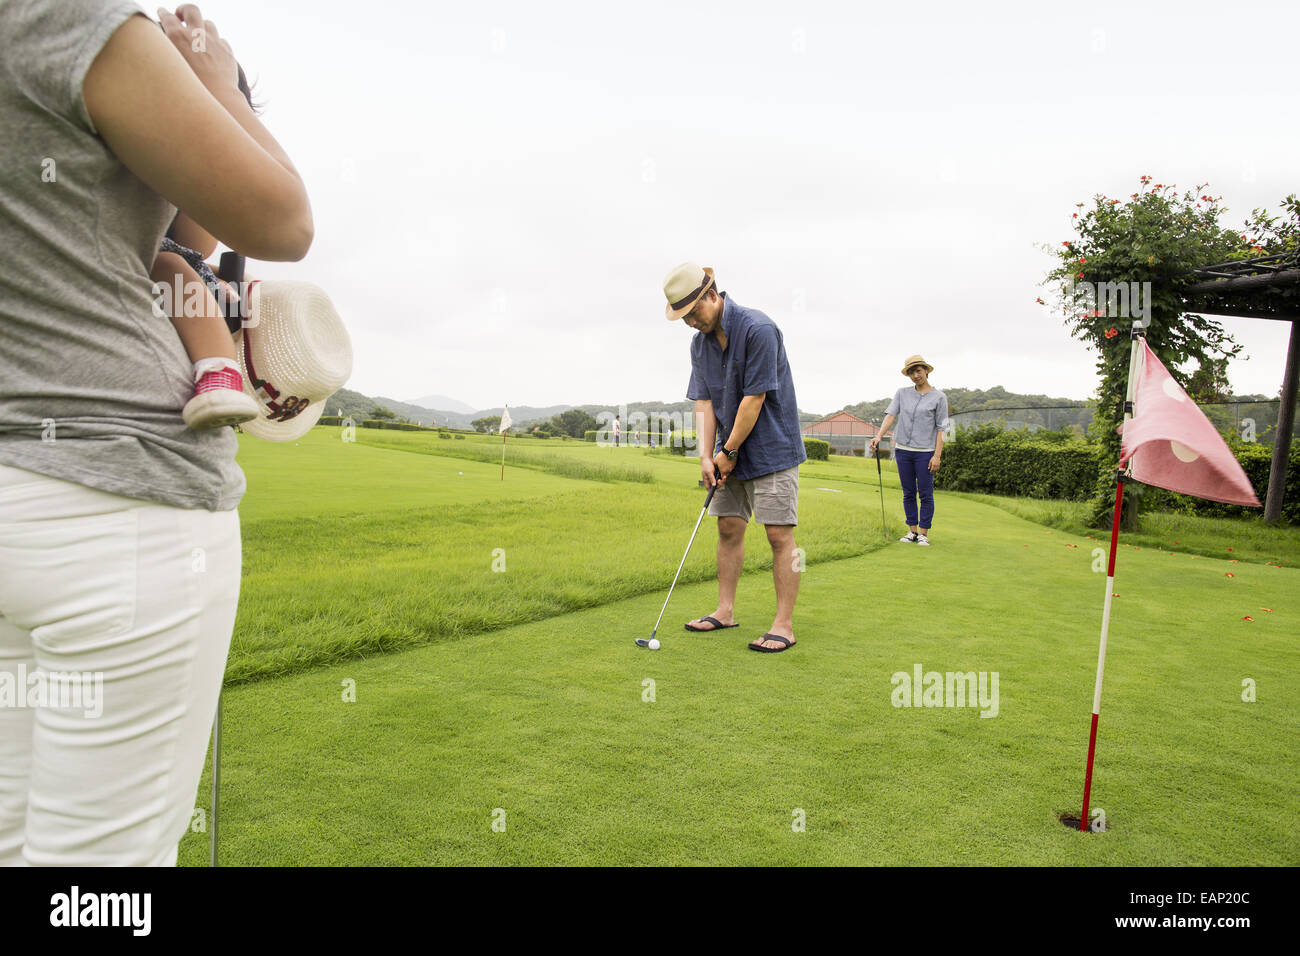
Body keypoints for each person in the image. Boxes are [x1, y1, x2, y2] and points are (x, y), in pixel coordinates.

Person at [0, 2, 312, 865]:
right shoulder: (64, 16)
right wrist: (219, 89)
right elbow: (280, 220)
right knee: (99, 884)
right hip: (119, 507)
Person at [663, 263, 806, 653]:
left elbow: (753, 399)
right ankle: (725, 611)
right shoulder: (700, 345)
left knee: (778, 533)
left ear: (712, 294)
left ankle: (783, 624)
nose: (691, 322)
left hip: (772, 447)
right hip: (728, 451)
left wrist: (727, 452)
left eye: (693, 312)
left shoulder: (758, 329)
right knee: (728, 527)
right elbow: (705, 402)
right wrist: (706, 457)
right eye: (684, 317)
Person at [869, 355, 949, 546]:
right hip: (903, 449)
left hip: (926, 452)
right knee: (908, 492)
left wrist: (937, 455)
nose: (915, 375)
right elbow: (891, 415)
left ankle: (923, 533)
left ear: (926, 371)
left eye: (918, 371)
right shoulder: (902, 393)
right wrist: (879, 435)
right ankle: (912, 531)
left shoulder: (939, 397)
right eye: (911, 372)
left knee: (925, 494)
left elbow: (942, 428)